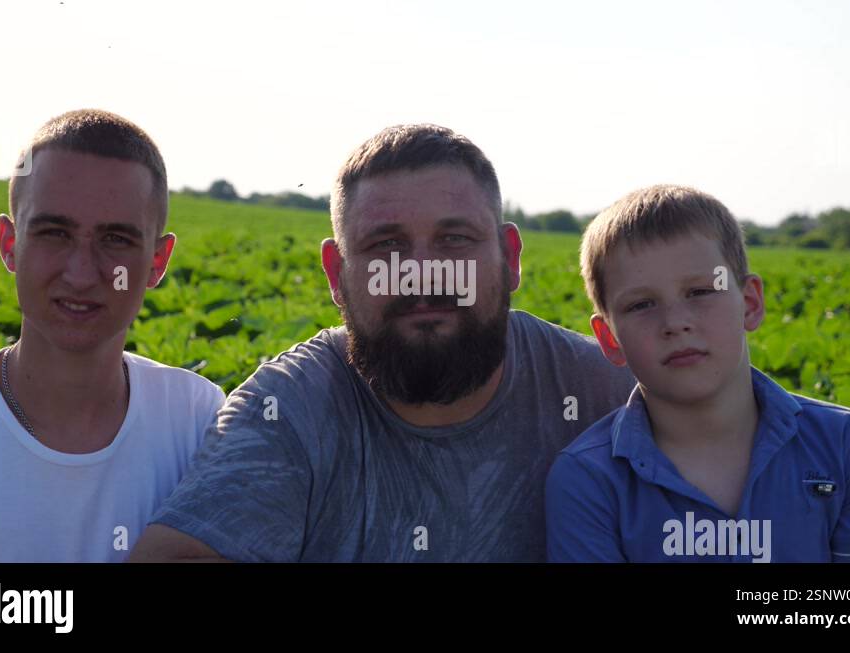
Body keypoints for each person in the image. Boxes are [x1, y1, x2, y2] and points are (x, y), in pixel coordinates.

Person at [129, 124, 636, 562]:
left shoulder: (605, 396)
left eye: (454, 239)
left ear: (509, 257)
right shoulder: (291, 407)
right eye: (385, 246)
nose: (421, 274)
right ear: (336, 273)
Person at [0, 109, 225, 562]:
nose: (82, 273)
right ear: (10, 244)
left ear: (158, 262)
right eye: (54, 233)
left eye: (116, 239)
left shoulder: (198, 419)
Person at [546, 184, 850, 563]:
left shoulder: (843, 443)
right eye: (641, 304)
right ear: (609, 339)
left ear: (749, 303)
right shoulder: (586, 480)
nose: (676, 322)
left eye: (699, 292)